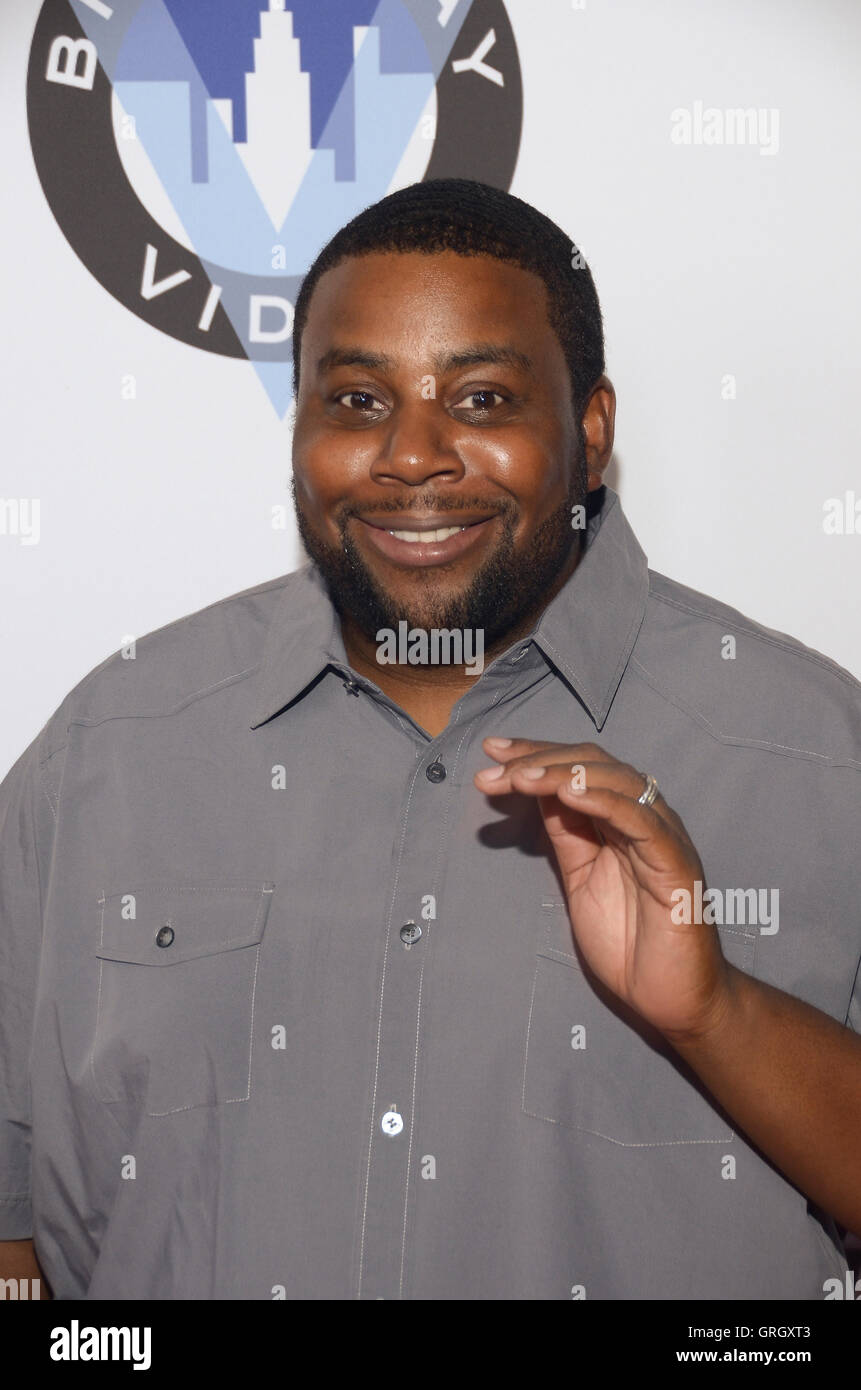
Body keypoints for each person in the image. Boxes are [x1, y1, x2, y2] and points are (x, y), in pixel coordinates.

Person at [1, 179, 859, 1301]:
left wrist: (721, 1014)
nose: (413, 455)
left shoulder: (812, 756)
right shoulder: (108, 750)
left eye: (484, 397)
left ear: (590, 431)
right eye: (357, 400)